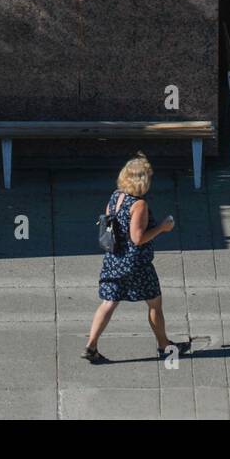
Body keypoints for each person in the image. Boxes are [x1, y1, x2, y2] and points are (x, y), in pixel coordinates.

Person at [83, 153, 190, 363]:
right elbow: (138, 238)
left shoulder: (115, 196)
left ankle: (91, 346)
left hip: (113, 261)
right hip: (136, 264)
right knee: (155, 304)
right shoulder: (139, 204)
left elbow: (109, 223)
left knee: (108, 302)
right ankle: (164, 346)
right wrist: (162, 228)